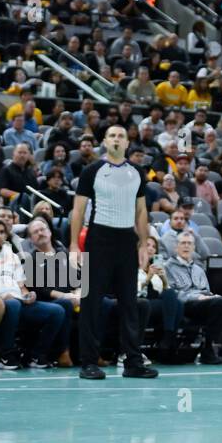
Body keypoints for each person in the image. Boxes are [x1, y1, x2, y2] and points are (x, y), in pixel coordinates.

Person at [68, 125, 159, 380]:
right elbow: (77, 210)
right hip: (99, 238)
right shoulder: (92, 171)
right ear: (105, 142)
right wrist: (75, 244)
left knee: (130, 304)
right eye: (112, 136)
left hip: (126, 241)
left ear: (127, 143)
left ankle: (132, 362)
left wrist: (143, 244)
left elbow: (141, 212)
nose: (117, 139)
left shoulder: (136, 172)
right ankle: (88, 362)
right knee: (91, 302)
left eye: (121, 136)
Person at [0, 218, 66, 368]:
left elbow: (21, 286)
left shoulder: (13, 257)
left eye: (2, 232)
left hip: (19, 302)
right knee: (13, 303)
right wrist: (2, 297)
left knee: (57, 311)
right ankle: (6, 354)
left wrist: (29, 295)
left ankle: (36, 355)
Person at [165, 231, 222, 364]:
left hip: (207, 301)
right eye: (183, 243)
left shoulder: (198, 269)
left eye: (189, 243)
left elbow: (206, 290)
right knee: (218, 303)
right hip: (186, 304)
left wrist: (211, 296)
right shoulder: (168, 267)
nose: (186, 246)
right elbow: (172, 293)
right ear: (176, 247)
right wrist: (198, 298)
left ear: (194, 247)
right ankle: (208, 349)